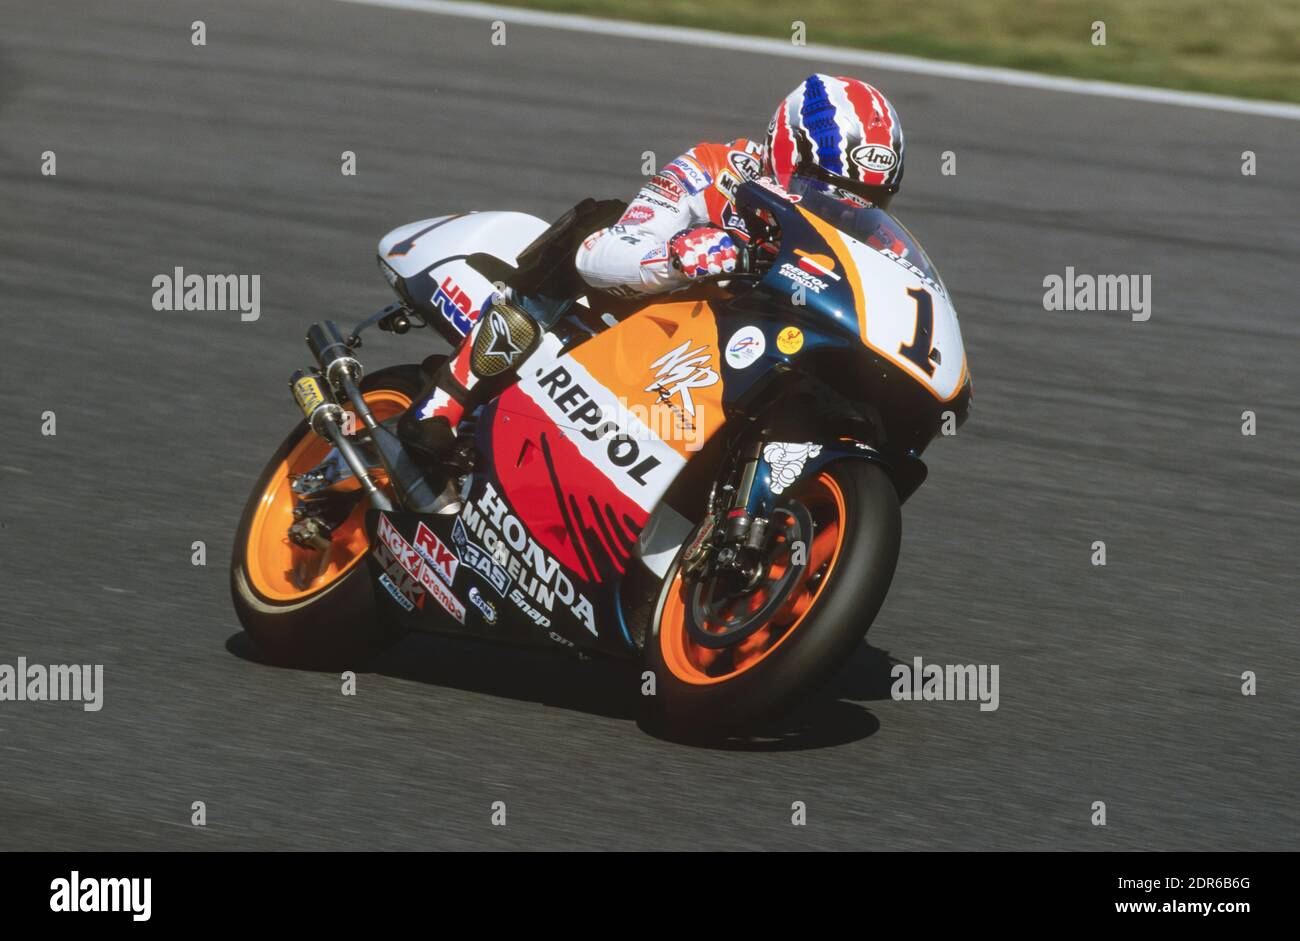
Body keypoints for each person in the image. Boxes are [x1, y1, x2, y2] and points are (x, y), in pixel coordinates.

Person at [396, 73, 906, 465]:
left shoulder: (877, 242)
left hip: (734, 369)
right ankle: (446, 400)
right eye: (828, 183)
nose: (845, 205)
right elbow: (600, 253)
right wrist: (678, 258)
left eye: (868, 197)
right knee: (592, 220)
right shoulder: (715, 170)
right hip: (633, 335)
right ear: (785, 149)